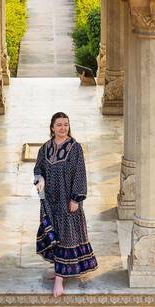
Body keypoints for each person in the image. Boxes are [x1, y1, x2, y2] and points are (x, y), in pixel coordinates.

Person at [34, 111, 98, 297]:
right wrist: (40, 180)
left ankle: (60, 280)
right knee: (54, 234)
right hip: (49, 201)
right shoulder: (45, 148)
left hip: (67, 201)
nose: (63, 128)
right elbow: (38, 167)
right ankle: (59, 269)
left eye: (66, 124)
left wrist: (75, 199)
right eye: (59, 125)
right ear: (52, 127)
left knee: (66, 237)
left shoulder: (75, 148)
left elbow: (80, 173)